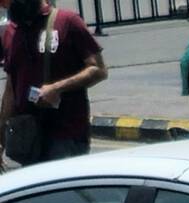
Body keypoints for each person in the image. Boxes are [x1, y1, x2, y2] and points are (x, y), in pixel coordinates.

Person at [0, 0, 108, 170]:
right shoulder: (11, 33)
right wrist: (1, 137)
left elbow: (98, 69)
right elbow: (11, 89)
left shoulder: (68, 22)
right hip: (28, 138)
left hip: (65, 135)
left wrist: (57, 88)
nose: (4, 7)